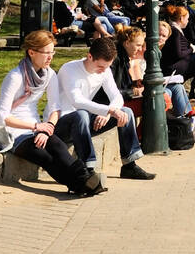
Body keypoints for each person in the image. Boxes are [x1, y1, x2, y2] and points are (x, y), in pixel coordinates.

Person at [0, 30, 105, 197]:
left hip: (38, 128)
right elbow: (1, 117)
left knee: (58, 146)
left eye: (52, 52)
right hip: (15, 132)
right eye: (46, 53)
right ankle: (82, 184)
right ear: (31, 52)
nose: (50, 57)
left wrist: (47, 128)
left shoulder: (49, 75)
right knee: (44, 157)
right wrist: (36, 126)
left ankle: (84, 182)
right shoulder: (15, 77)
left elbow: (55, 108)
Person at [57, 36, 156, 180]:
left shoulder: (105, 70)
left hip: (85, 123)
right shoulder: (69, 69)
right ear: (89, 56)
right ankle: (88, 169)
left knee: (126, 112)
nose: (103, 71)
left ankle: (129, 165)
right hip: (63, 124)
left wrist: (109, 113)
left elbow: (117, 97)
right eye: (100, 67)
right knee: (82, 114)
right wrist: (108, 110)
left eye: (107, 67)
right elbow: (76, 101)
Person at [155, 21, 194, 117]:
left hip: (160, 84)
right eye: (158, 34)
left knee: (178, 86)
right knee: (173, 90)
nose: (160, 38)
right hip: (150, 88)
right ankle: (186, 121)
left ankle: (187, 119)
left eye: (164, 36)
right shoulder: (147, 49)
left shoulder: (161, 49)